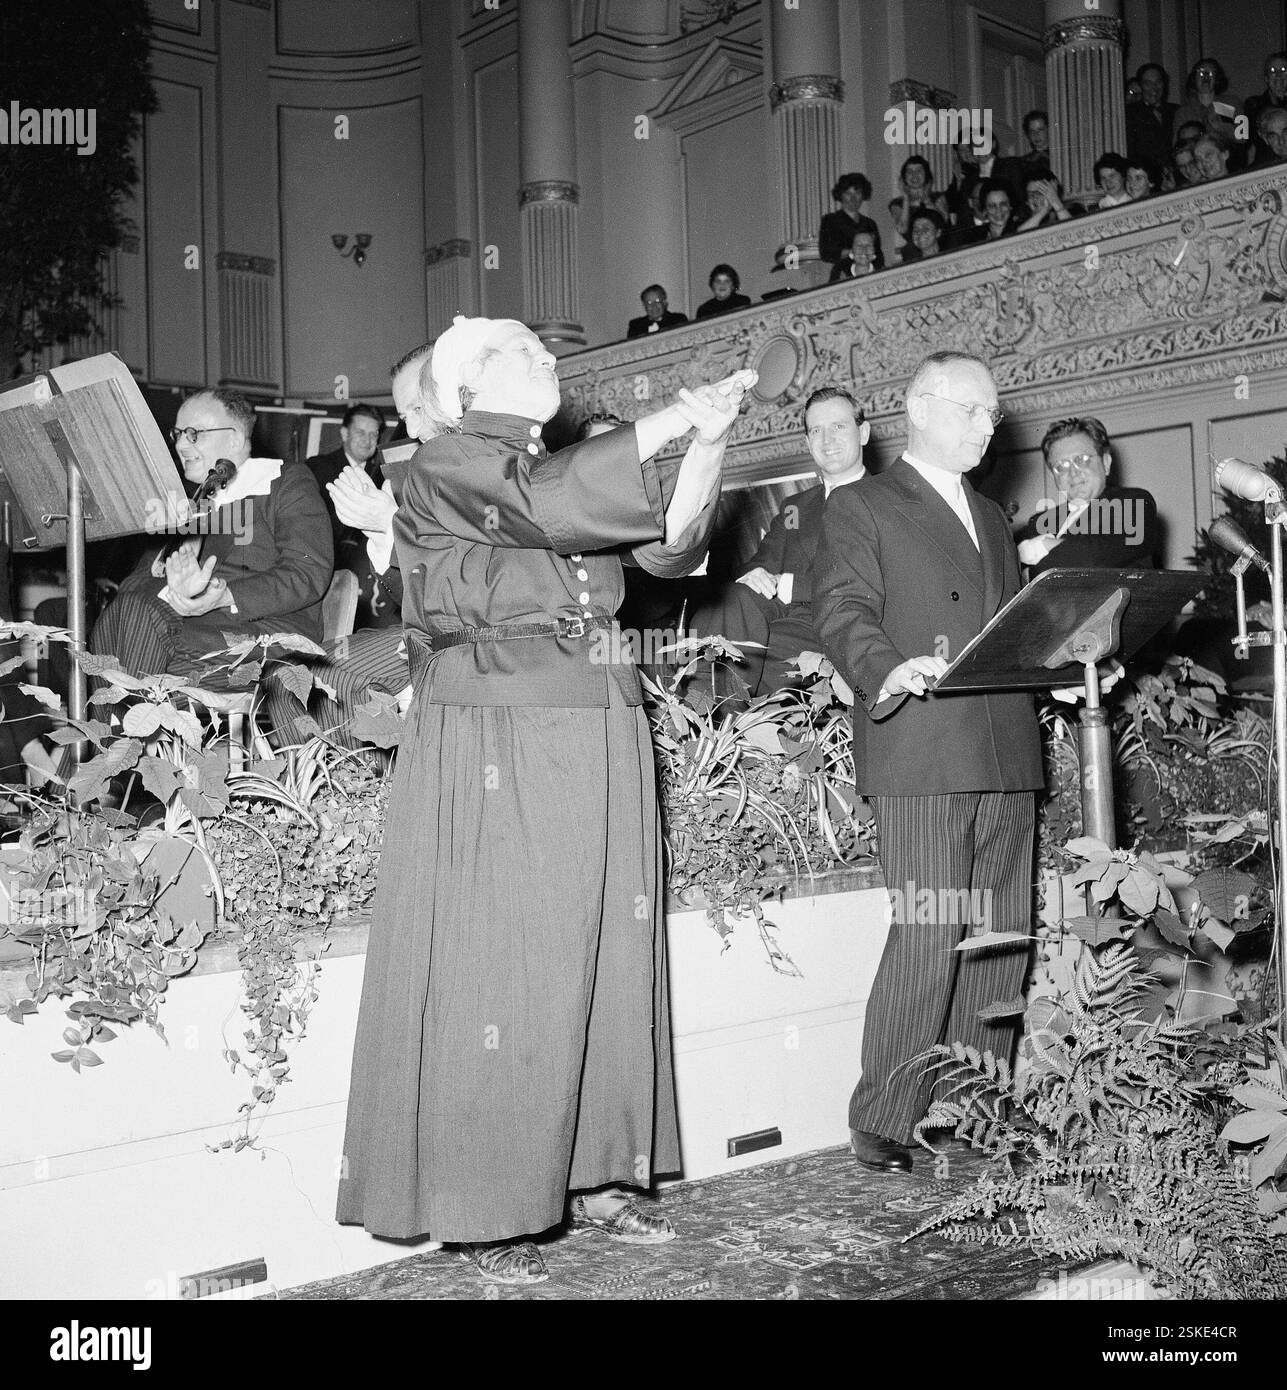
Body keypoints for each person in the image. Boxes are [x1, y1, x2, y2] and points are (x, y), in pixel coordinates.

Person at [335, 311, 755, 1283]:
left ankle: (601, 1173)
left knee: (606, 944)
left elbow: (673, 552)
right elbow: (541, 503)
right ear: (468, 384)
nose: (552, 358)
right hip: (503, 728)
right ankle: (494, 1204)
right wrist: (664, 419)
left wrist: (710, 442)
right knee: (509, 959)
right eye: (527, 350)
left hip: (601, 717)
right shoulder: (443, 465)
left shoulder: (551, 464)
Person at [813, 350, 1045, 1173]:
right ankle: (884, 1113)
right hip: (920, 745)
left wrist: (1069, 651)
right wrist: (885, 667)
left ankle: (975, 1109)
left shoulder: (990, 515)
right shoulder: (864, 505)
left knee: (999, 938)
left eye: (992, 414)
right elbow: (839, 609)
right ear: (918, 407)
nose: (990, 426)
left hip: (1004, 747)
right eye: (973, 410)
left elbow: (1007, 628)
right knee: (928, 932)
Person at [90, 388, 332, 687]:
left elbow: (307, 573)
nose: (180, 444)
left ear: (234, 438)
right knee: (111, 626)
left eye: (194, 433)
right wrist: (166, 577)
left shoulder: (284, 482)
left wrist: (222, 595)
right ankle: (123, 728)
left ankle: (117, 730)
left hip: (263, 639)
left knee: (118, 656)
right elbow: (133, 586)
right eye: (177, 433)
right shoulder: (188, 504)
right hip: (177, 633)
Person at [262, 345, 438, 748]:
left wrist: (386, 527)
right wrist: (382, 531)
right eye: (404, 415)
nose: (409, 430)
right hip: (373, 582)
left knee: (308, 680)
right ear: (344, 434)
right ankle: (339, 802)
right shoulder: (322, 470)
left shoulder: (456, 465)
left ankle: (360, 801)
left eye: (415, 411)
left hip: (457, 634)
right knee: (286, 677)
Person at [687, 386, 869, 699]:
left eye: (838, 426)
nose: (827, 440)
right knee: (728, 605)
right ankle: (717, 728)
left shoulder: (890, 502)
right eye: (816, 431)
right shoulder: (795, 507)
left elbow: (875, 582)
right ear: (808, 442)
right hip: (784, 625)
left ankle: (716, 732)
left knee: (732, 649)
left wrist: (786, 586)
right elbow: (763, 563)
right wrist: (752, 574)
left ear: (863, 433)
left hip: (846, 630)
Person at [1016, 416, 1160, 576]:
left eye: (1082, 459)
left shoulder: (1134, 503)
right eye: (1061, 466)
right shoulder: (1039, 522)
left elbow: (1092, 560)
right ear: (1052, 476)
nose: (1073, 472)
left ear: (1106, 463)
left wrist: (1041, 548)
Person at [306, 403, 390, 629]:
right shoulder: (317, 468)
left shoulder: (383, 476)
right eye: (361, 432)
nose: (368, 440)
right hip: (327, 570)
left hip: (369, 577)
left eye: (374, 434)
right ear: (344, 433)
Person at [1173, 57, 1243, 155]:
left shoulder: (1233, 103)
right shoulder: (1183, 113)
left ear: (1217, 78)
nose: (1206, 77)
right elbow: (1177, 147)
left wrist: (1220, 126)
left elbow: (1244, 136)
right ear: (1194, 78)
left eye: (1210, 73)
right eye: (1201, 73)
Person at [819, 172, 885, 272]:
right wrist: (855, 252)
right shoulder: (830, 220)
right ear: (840, 195)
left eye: (857, 193)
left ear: (863, 195)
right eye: (848, 194)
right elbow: (826, 253)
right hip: (842, 271)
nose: (853, 198)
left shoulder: (870, 224)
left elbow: (879, 256)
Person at [889, 156, 950, 248]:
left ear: (926, 175)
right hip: (914, 249)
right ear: (903, 178)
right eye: (910, 172)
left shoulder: (938, 197)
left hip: (940, 246)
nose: (914, 175)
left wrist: (926, 198)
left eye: (919, 171)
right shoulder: (897, 204)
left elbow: (943, 223)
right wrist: (906, 197)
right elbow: (902, 229)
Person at [1126, 63, 1177, 169]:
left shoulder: (1176, 111)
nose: (1154, 88)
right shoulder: (1130, 114)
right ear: (1140, 86)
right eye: (1147, 83)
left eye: (1158, 82)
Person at [1246, 52, 1287, 164]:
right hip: (1267, 164)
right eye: (1273, 71)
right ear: (1266, 78)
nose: (1279, 75)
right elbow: (1249, 144)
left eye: (1283, 70)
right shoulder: (1254, 104)